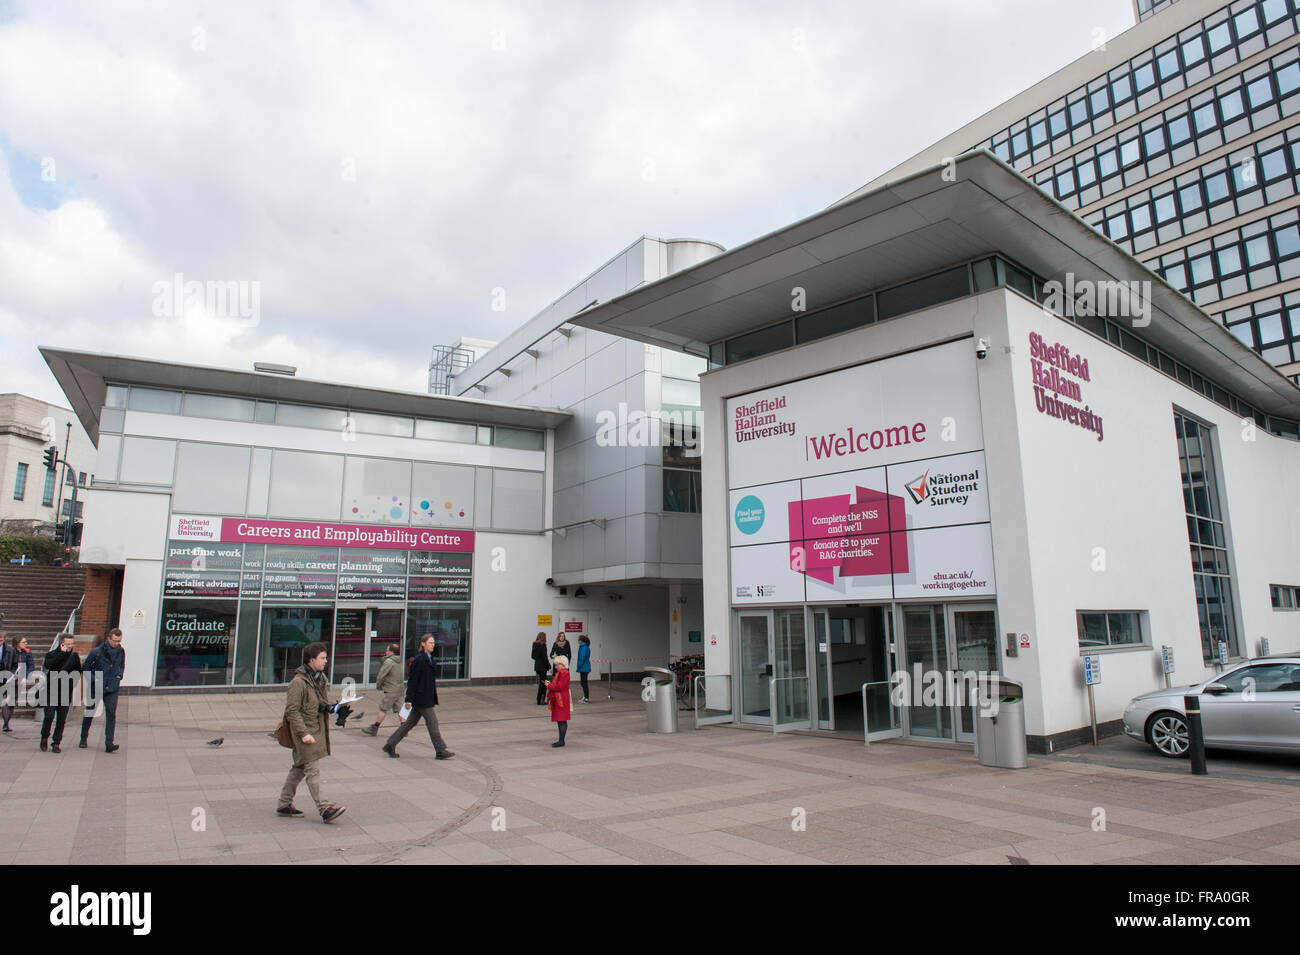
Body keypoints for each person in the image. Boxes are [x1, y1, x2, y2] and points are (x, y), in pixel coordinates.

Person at [277, 642, 346, 823]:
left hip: (315, 730)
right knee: (312, 769)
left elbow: (319, 704)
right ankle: (325, 809)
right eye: (322, 658)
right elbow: (292, 711)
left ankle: (284, 804)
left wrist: (335, 708)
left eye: (325, 657)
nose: (325, 661)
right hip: (304, 733)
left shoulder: (318, 679)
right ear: (311, 659)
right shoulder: (298, 682)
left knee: (299, 768)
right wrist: (303, 733)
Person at [382, 634, 454, 760]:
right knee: (433, 722)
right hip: (421, 699)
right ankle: (440, 750)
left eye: (433, 643)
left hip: (425, 697)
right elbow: (413, 681)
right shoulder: (419, 660)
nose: (432, 645)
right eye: (430, 643)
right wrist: (408, 699)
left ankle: (390, 744)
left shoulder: (430, 658)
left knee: (409, 724)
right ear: (423, 644)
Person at [80, 627, 125, 752]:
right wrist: (95, 679)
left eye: (119, 641)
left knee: (111, 714)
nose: (116, 644)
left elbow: (121, 666)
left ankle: (109, 742)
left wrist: (119, 676)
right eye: (114, 641)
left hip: (112, 687)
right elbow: (85, 669)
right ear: (108, 639)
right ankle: (83, 738)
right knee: (90, 712)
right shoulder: (96, 652)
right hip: (96, 686)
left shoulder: (121, 651)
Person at [39, 633, 81, 753]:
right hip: (51, 691)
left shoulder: (74, 656)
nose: (70, 646)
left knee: (61, 719)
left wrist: (71, 683)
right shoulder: (51, 655)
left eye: (71, 644)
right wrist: (62, 654)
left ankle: (56, 742)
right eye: (67, 644)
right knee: (49, 716)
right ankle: (44, 736)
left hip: (65, 692)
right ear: (61, 643)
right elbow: (49, 665)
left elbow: (78, 672)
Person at [361, 644, 403, 736]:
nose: (386, 652)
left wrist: (379, 686)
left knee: (383, 709)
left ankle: (374, 728)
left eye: (387, 650)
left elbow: (381, 675)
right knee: (400, 709)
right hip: (399, 689)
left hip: (391, 689)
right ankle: (404, 728)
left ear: (391, 652)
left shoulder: (389, 662)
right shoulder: (399, 661)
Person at [545, 656, 572, 747]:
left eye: (557, 665)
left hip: (561, 698)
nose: (555, 667)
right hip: (560, 697)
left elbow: (559, 687)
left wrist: (549, 686)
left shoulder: (564, 673)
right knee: (560, 719)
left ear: (562, 664)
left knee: (562, 719)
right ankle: (561, 739)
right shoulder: (562, 673)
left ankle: (561, 740)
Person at [1, 635, 20, 732]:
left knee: (10, 703)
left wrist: (13, 674)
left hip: (8, 678)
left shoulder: (10, 650)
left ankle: (6, 723)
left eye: (1, 640)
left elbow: (15, 664)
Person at [531, 633, 550, 705]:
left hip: (537, 666)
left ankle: (539, 699)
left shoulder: (534, 644)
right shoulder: (543, 645)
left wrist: (538, 659)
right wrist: (549, 666)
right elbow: (545, 657)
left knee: (542, 683)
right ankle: (541, 699)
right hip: (543, 666)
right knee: (544, 683)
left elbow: (533, 656)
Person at [575, 634, 592, 704]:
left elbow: (582, 658)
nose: (577, 641)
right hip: (585, 667)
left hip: (584, 667)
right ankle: (585, 697)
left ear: (581, 640)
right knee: (583, 683)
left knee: (584, 683)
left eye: (578, 639)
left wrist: (578, 666)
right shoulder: (585, 646)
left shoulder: (583, 647)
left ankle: (586, 698)